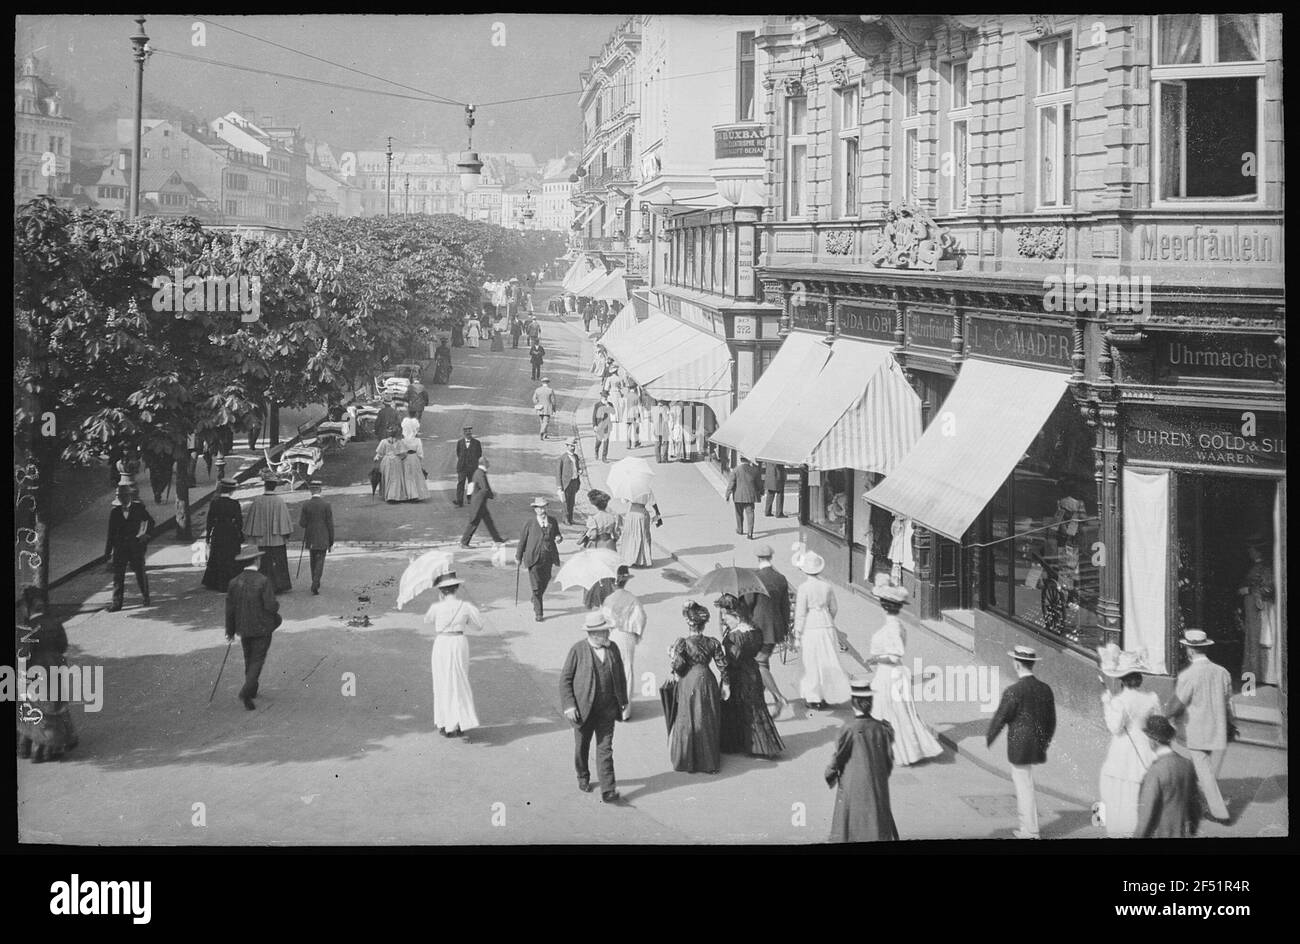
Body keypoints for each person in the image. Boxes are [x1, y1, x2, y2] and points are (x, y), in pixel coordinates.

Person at [867, 583, 943, 765]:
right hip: (891, 674)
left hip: (889, 674)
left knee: (889, 711)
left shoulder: (892, 627)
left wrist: (874, 659)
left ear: (884, 605)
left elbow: (894, 656)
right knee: (894, 711)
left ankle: (895, 750)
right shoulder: (897, 625)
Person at [986, 645, 1057, 839]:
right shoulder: (1045, 689)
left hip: (1019, 746)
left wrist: (990, 737)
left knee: (1024, 787)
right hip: (1037, 744)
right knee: (1026, 784)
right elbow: (1051, 721)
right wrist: (1045, 743)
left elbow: (1001, 717)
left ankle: (1030, 830)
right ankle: (1028, 827)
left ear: (1017, 665)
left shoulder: (1013, 690)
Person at [1166, 629, 1235, 823]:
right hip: (1217, 730)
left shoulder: (1188, 675)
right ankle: (1190, 802)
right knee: (1202, 771)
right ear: (1205, 648)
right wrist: (1230, 724)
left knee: (1202, 773)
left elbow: (1177, 704)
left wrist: (1166, 715)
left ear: (1190, 650)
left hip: (1194, 732)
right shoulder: (1223, 672)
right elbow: (1229, 702)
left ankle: (1219, 813)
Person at [560, 612, 629, 803]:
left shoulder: (612, 648)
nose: (607, 635)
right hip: (583, 710)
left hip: (607, 708)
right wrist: (569, 706)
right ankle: (583, 775)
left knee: (605, 748)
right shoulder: (578, 650)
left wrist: (623, 701)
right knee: (582, 747)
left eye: (607, 631)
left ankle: (608, 789)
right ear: (593, 634)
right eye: (604, 632)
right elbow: (565, 679)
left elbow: (620, 675)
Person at [825, 679, 899, 842]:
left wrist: (830, 773)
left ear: (853, 703)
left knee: (853, 821)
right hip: (877, 783)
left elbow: (839, 757)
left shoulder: (849, 728)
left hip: (854, 783)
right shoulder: (882, 728)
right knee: (876, 819)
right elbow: (888, 759)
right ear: (871, 703)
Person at [1095, 651, 1160, 838]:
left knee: (1116, 792)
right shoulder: (1151, 698)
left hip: (1122, 751)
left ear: (1122, 679)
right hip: (1145, 749)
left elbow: (1115, 728)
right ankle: (1137, 830)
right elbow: (1157, 723)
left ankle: (1116, 831)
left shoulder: (1119, 701)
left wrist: (1107, 704)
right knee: (1136, 793)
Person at [717, 594, 784, 758]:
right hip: (752, 672)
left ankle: (737, 743)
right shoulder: (755, 630)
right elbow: (755, 650)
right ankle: (763, 744)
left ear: (737, 616)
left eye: (727, 616)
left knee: (734, 707)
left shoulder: (734, 637)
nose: (724, 619)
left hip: (737, 675)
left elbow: (732, 659)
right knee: (754, 708)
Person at [16, 590, 79, 763]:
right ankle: (52, 748)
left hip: (35, 671)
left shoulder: (26, 627)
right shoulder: (55, 623)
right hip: (55, 667)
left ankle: (32, 748)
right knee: (55, 706)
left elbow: (23, 654)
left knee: (35, 708)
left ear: (28, 607)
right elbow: (63, 645)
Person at [668, 601, 728, 773]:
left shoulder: (683, 644)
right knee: (706, 717)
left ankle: (688, 759)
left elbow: (678, 667)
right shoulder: (713, 643)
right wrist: (726, 684)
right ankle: (708, 760)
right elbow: (722, 665)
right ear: (703, 625)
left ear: (689, 624)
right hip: (707, 680)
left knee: (688, 717)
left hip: (689, 681)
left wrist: (672, 656)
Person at [423, 571, 482, 739]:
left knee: (442, 682)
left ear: (441, 591)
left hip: (442, 643)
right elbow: (479, 626)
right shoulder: (466, 607)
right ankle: (460, 722)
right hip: (459, 642)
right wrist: (465, 620)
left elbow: (428, 620)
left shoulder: (436, 607)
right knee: (459, 680)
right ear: (456, 588)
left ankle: (446, 723)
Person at [793, 551, 851, 710]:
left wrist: (797, 633)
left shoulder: (803, 588)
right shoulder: (827, 586)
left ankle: (813, 697)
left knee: (811, 661)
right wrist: (827, 617)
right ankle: (827, 694)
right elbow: (834, 608)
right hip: (826, 625)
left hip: (810, 625)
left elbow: (800, 613)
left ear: (805, 570)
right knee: (827, 659)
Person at [225, 548, 281, 711]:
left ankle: (252, 689)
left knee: (249, 658)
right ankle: (247, 690)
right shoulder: (263, 581)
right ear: (256, 561)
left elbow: (230, 609)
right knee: (257, 659)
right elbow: (271, 605)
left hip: (243, 627)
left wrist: (230, 631)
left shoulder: (234, 582)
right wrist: (276, 607)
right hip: (261, 628)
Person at [743, 544, 794, 721]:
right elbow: (785, 607)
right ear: (771, 558)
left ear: (758, 558)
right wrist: (786, 629)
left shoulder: (755, 578)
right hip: (776, 628)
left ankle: (779, 697)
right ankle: (766, 696)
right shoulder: (781, 578)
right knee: (763, 662)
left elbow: (748, 604)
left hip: (758, 628)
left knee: (759, 663)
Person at [1135, 715, 1203, 839]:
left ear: (1153, 741)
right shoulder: (1187, 764)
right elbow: (1196, 808)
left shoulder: (1155, 772)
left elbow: (1145, 816)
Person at [601, 566, 645, 720]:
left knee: (612, 668)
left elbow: (603, 618)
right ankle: (625, 709)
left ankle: (612, 704)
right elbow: (640, 618)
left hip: (613, 634)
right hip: (628, 635)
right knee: (627, 669)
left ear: (613, 583)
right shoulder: (633, 599)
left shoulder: (609, 599)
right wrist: (637, 635)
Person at [105, 483, 154, 611]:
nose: (122, 498)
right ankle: (116, 603)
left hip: (135, 547)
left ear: (130, 496)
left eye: (125, 495)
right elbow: (111, 533)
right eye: (120, 496)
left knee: (140, 573)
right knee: (118, 576)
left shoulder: (138, 508)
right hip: (120, 548)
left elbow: (150, 521)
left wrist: (146, 535)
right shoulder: (115, 512)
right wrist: (107, 552)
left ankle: (146, 596)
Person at [244, 472, 294, 592]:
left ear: (265, 485)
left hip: (262, 539)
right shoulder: (279, 501)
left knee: (264, 563)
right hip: (277, 539)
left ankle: (264, 586)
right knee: (279, 562)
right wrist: (286, 535)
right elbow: (286, 522)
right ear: (275, 486)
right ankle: (280, 585)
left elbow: (251, 522)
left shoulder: (258, 501)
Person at [517, 497, 563, 622]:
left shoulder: (552, 521)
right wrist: (518, 557)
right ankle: (539, 612)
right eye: (539, 507)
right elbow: (522, 541)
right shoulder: (530, 523)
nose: (541, 510)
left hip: (548, 556)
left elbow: (557, 534)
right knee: (536, 586)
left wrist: (559, 537)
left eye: (543, 507)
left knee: (546, 579)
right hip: (533, 557)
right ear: (535, 509)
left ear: (546, 507)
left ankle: (535, 597)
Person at [1239, 544, 1279, 686]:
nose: (1250, 553)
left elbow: (1269, 588)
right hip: (1251, 607)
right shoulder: (1254, 567)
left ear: (1257, 551)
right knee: (1252, 641)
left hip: (1260, 609)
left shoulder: (1265, 567)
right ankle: (1252, 679)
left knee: (1257, 641)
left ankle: (1257, 679)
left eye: (1252, 550)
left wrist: (1249, 590)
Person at [202, 478, 244, 592]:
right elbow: (239, 521)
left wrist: (208, 536)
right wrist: (239, 533)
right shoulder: (235, 503)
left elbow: (210, 520)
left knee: (217, 555)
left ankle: (215, 582)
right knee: (230, 556)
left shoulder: (215, 502)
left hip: (219, 530)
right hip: (231, 532)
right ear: (231, 490)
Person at [298, 480, 335, 596]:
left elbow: (302, 523)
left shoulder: (306, 505)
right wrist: (331, 541)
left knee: (313, 560)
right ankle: (316, 582)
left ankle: (314, 580)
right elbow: (330, 525)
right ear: (320, 490)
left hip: (310, 537)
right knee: (320, 561)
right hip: (323, 537)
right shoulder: (326, 505)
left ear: (310, 491)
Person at [460, 457, 505, 547]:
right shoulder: (480, 473)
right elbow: (485, 489)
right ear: (484, 464)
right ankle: (464, 542)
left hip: (480, 503)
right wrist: (493, 495)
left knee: (489, 522)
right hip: (478, 504)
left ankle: (497, 539)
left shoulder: (479, 472)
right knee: (473, 523)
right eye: (487, 463)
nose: (489, 464)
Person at [618, 490, 661, 568]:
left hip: (631, 514)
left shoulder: (630, 488)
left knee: (630, 535)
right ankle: (642, 560)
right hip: (642, 514)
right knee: (643, 535)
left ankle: (630, 558)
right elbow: (653, 502)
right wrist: (658, 514)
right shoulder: (647, 489)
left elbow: (623, 501)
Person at [724, 455, 764, 539]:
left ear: (741, 460)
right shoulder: (755, 470)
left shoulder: (736, 470)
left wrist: (727, 494)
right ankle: (750, 533)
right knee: (750, 513)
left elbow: (731, 484)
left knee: (739, 513)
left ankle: (740, 529)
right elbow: (759, 483)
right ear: (749, 460)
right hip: (750, 496)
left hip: (738, 496)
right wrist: (761, 491)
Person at [557, 437, 584, 525]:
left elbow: (577, 467)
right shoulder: (563, 458)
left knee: (572, 502)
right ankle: (565, 519)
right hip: (566, 483)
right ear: (567, 446)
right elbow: (558, 473)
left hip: (574, 481)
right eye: (571, 446)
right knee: (565, 501)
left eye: (574, 446)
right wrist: (559, 486)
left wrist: (580, 471)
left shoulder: (575, 457)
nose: (573, 448)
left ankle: (571, 518)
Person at [453, 425, 482, 508]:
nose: (469, 433)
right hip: (462, 467)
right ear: (464, 433)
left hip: (472, 467)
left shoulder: (477, 443)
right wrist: (463, 461)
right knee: (460, 483)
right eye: (467, 432)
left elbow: (479, 454)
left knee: (471, 484)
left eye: (470, 432)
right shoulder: (460, 442)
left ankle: (470, 499)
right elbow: (458, 453)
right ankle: (459, 501)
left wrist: (474, 462)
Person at [373, 430, 405, 504]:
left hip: (386, 460)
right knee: (395, 478)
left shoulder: (384, 441)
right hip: (396, 460)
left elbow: (379, 452)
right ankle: (394, 495)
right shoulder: (399, 442)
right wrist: (399, 458)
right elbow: (403, 454)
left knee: (387, 477)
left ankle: (389, 495)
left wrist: (377, 457)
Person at [398, 432, 429, 502]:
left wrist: (402, 457)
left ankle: (409, 495)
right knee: (415, 476)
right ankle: (416, 494)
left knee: (407, 476)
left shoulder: (403, 440)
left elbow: (401, 451)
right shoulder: (417, 440)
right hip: (414, 458)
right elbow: (420, 452)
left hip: (406, 458)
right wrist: (420, 459)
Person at [592, 393, 614, 462]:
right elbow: (594, 416)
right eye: (604, 397)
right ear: (601, 397)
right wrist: (594, 425)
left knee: (606, 441)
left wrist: (608, 406)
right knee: (599, 441)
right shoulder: (597, 405)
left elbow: (613, 412)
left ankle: (604, 457)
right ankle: (596, 450)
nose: (605, 398)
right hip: (599, 425)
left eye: (606, 397)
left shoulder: (610, 404)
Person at [533, 376, 557, 440]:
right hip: (547, 408)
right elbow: (553, 401)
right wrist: (554, 408)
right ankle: (542, 432)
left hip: (540, 408)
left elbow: (534, 399)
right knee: (546, 422)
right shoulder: (550, 390)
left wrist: (537, 404)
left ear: (542, 383)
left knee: (542, 421)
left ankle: (545, 434)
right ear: (548, 383)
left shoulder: (538, 390)